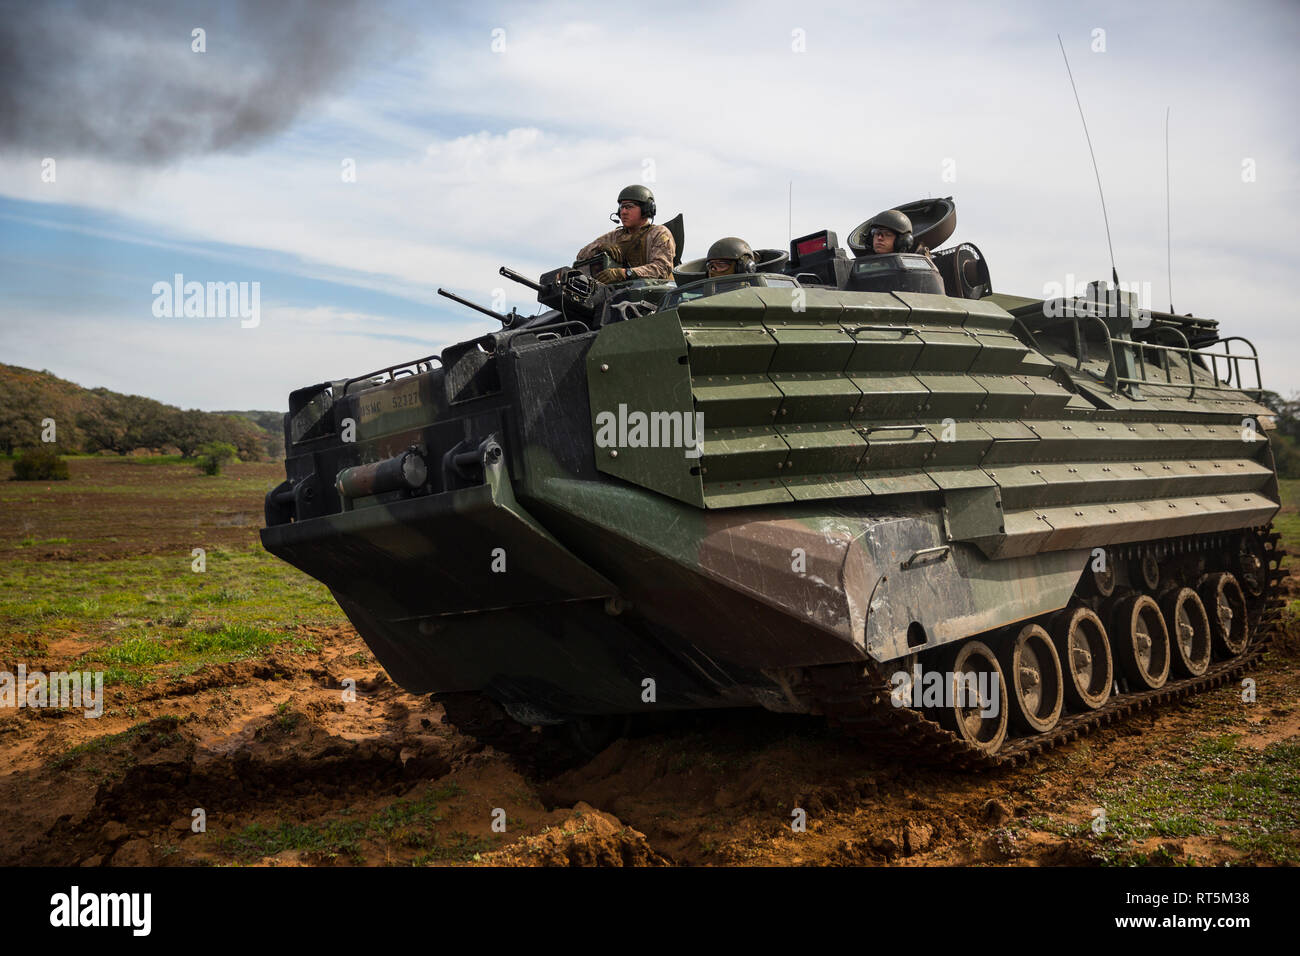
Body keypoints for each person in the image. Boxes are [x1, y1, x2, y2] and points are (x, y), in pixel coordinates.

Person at [575, 185, 676, 284]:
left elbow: (661, 268)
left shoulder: (658, 233)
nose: (623, 212)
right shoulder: (615, 236)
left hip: (657, 294)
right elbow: (581, 256)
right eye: (622, 207)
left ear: (646, 209)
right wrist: (600, 247)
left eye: (629, 207)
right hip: (623, 295)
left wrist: (624, 273)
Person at [863, 208, 933, 262]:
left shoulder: (916, 265)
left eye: (887, 234)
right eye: (876, 233)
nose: (879, 238)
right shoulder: (862, 266)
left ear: (902, 241)